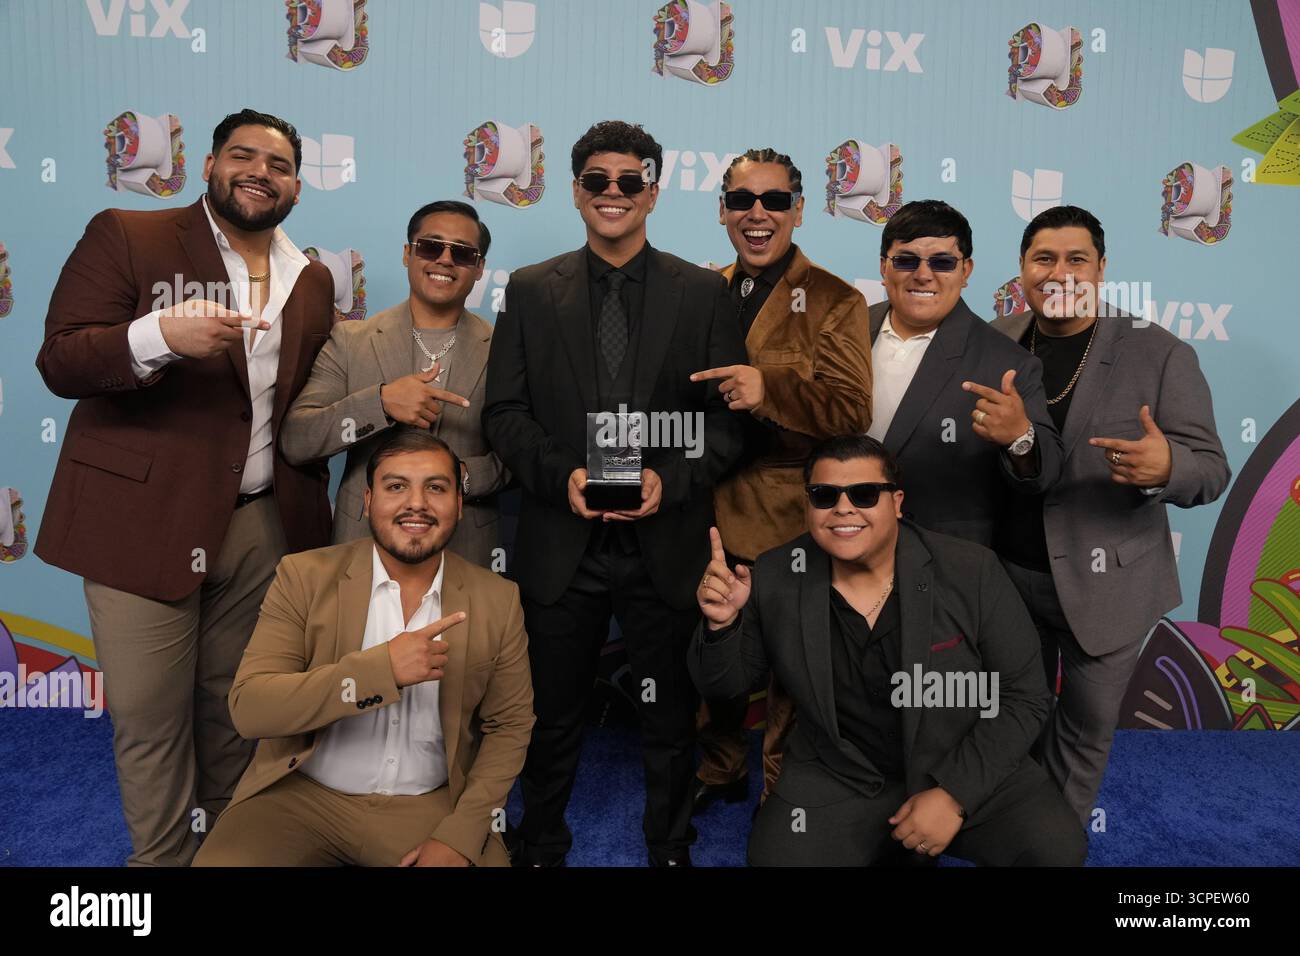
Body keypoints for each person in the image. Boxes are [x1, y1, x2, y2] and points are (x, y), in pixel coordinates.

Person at [34, 108, 334, 866]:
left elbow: (300, 405)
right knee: (149, 715)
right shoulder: (130, 235)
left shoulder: (313, 278)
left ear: (297, 184)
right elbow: (62, 361)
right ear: (207, 165)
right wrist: (157, 337)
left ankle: (227, 853)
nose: (261, 172)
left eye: (280, 164)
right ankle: (160, 865)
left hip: (263, 527)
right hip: (144, 521)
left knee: (235, 708)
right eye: (244, 155)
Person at [483, 120, 747, 866]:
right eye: (597, 181)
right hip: (562, 542)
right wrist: (559, 475)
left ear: (653, 193)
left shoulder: (702, 293)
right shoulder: (533, 291)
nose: (613, 194)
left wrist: (674, 479)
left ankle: (668, 844)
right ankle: (541, 840)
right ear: (575, 192)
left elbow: (725, 427)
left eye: (630, 181)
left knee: (668, 717)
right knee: (551, 710)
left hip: (665, 542)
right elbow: (504, 413)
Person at [690, 435, 1086, 866]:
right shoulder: (775, 573)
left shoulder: (971, 570)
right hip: (839, 774)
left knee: (1055, 849)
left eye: (863, 494)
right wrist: (721, 623)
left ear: (896, 502)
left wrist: (954, 795)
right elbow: (725, 685)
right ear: (807, 505)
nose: (843, 508)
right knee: (775, 861)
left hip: (958, 759)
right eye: (825, 496)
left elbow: (1024, 696)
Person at [192, 430, 534, 866]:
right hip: (301, 796)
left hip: (427, 803)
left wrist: (460, 835)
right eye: (396, 487)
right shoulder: (304, 576)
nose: (417, 503)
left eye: (436, 487)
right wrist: (379, 672)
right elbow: (251, 708)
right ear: (367, 501)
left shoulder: (497, 599)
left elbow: (510, 727)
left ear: (459, 505)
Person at [991, 205, 1230, 823]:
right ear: (1022, 270)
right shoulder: (994, 340)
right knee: (1015, 716)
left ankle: (1057, 845)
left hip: (1110, 584)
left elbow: (1210, 469)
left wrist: (1167, 467)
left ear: (1102, 269)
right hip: (1008, 578)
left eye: (1078, 258)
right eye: (1044, 258)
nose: (1060, 271)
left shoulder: (1160, 352)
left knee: (1087, 729)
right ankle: (1016, 826)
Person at [690, 147, 874, 810]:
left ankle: (781, 796)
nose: (758, 214)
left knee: (793, 675)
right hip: (702, 511)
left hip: (788, 519)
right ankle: (717, 769)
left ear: (798, 210)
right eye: (743, 201)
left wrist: (770, 388)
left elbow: (851, 411)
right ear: (723, 212)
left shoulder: (834, 299)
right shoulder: (705, 289)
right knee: (718, 657)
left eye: (774, 201)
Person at [281, 200, 508, 567]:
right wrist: (381, 404)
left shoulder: (503, 350)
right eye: (431, 247)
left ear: (479, 268)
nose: (445, 260)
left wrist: (461, 477)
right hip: (362, 545)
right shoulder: (351, 341)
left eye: (463, 253)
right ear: (408, 253)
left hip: (466, 549)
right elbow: (297, 440)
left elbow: (520, 457)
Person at [866, 200, 1063, 547]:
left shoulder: (1006, 362)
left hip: (942, 562)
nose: (923, 274)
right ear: (884, 267)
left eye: (942, 262)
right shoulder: (840, 330)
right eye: (906, 260)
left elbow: (1043, 475)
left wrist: (1020, 436)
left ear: (966, 270)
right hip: (836, 556)